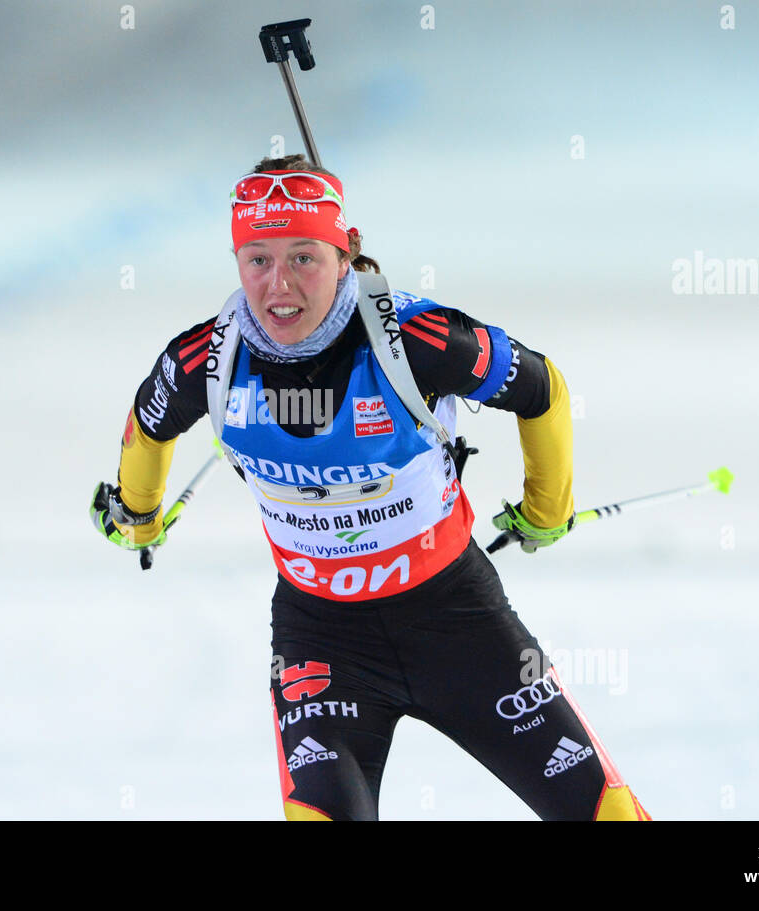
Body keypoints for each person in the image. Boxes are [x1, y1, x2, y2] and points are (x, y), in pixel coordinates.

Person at [90, 155, 651, 821]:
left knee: (606, 816)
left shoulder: (410, 339)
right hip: (324, 641)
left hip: (460, 625)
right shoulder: (208, 360)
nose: (279, 286)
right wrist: (137, 514)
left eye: (305, 257)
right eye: (257, 259)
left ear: (345, 251)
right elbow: (148, 423)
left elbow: (541, 387)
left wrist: (546, 508)